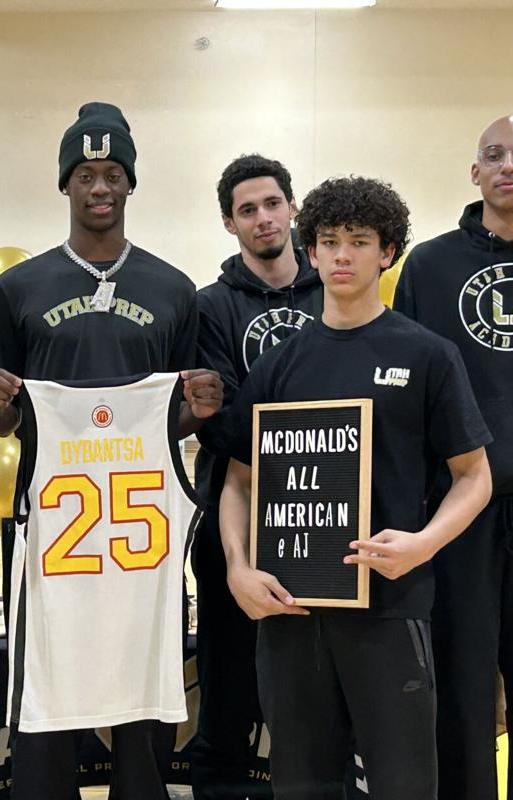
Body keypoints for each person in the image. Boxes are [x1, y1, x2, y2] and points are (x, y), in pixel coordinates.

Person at [0, 101, 222, 800]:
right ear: (66, 184)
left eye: (113, 172)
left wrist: (195, 411)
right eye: (85, 173)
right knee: (44, 707)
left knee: (143, 707)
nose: (100, 186)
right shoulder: (19, 289)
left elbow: (173, 420)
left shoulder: (174, 289)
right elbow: (9, 418)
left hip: (140, 536)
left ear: (131, 183)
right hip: (55, 531)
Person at [219, 176, 492, 800]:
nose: (342, 255)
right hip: (292, 612)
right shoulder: (279, 364)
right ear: (310, 250)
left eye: (360, 241)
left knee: (401, 784)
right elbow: (237, 479)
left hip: (391, 610)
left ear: (387, 251)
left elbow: (474, 477)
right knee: (302, 783)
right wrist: (237, 567)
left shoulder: (427, 356)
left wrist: (424, 543)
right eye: (329, 241)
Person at [394, 115, 513, 800]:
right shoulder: (431, 267)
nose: (508, 166)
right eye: (493, 155)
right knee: (461, 696)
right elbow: (409, 391)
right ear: (473, 173)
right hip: (458, 516)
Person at [192, 154, 321, 800]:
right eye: (247, 209)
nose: (263, 218)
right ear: (228, 223)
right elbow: (218, 421)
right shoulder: (209, 306)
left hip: (326, 519)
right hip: (233, 520)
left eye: (273, 203)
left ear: (293, 208)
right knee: (228, 692)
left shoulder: (336, 287)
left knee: (317, 695)